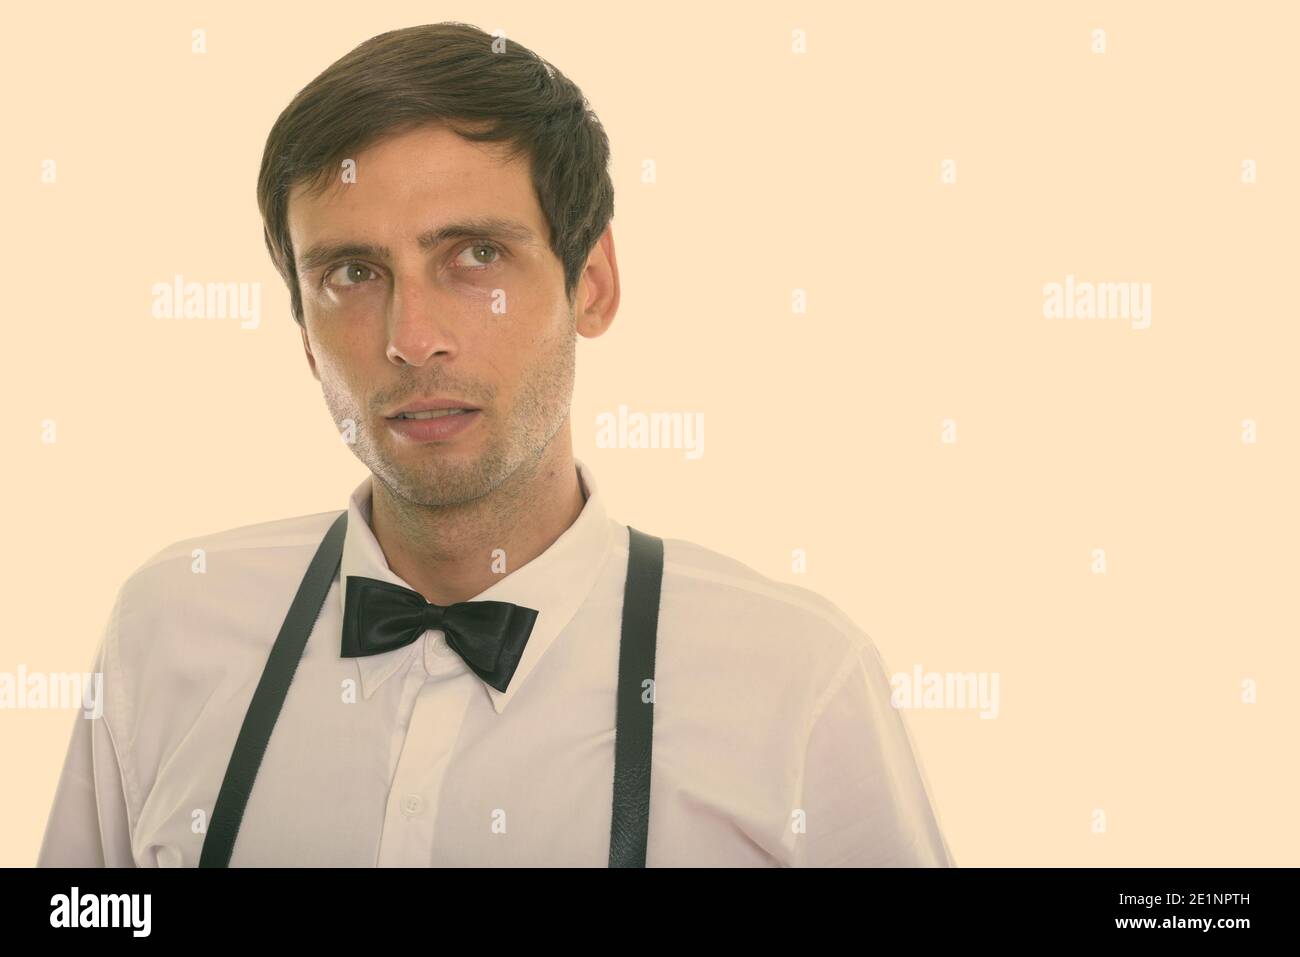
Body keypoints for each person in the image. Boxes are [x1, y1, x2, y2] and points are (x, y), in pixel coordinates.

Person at [37, 21, 954, 867]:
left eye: (475, 256)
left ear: (590, 285)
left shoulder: (796, 685)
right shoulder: (169, 629)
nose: (412, 335)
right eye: (352, 273)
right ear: (304, 332)